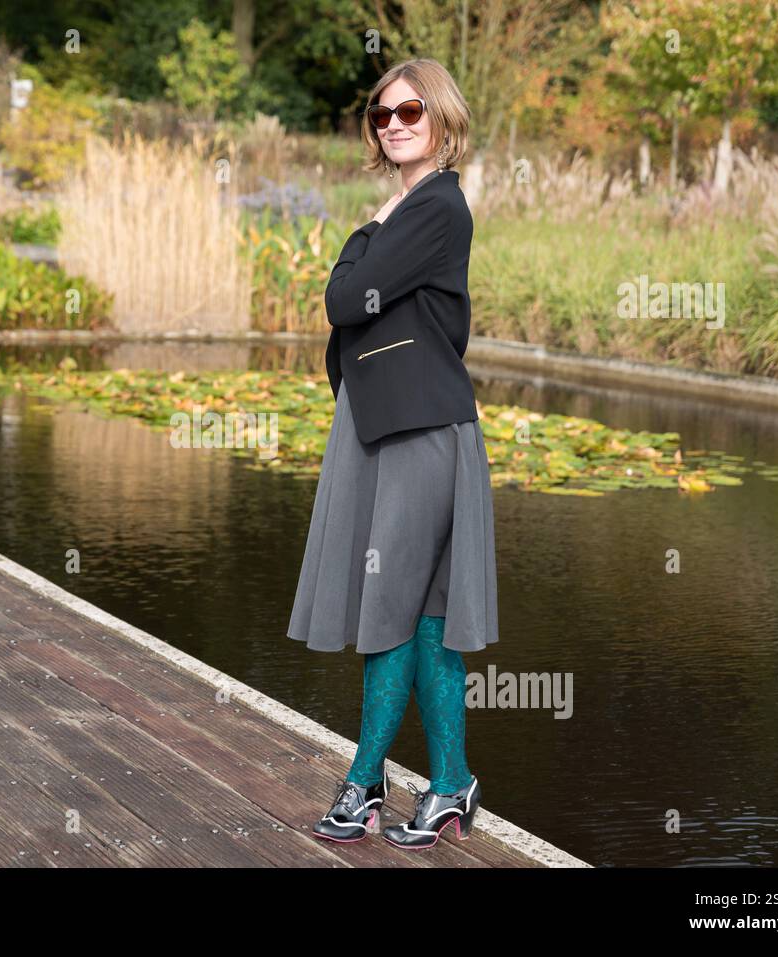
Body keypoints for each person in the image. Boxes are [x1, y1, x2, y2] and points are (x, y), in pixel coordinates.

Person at [285, 57, 499, 850]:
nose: (395, 124)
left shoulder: (435, 206)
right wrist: (376, 229)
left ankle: (362, 782)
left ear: (440, 117)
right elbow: (355, 309)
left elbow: (344, 298)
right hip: (392, 425)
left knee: (392, 611)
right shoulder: (413, 209)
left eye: (410, 111)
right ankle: (451, 785)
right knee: (427, 614)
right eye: (381, 115)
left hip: (420, 433)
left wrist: (370, 228)